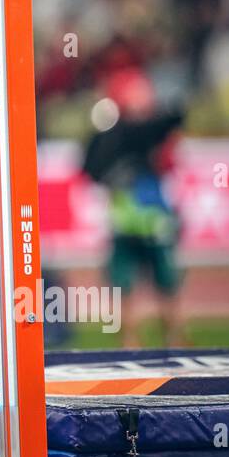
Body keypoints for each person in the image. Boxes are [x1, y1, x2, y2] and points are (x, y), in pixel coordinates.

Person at [81, 69, 186, 348]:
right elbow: (90, 167)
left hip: (150, 220)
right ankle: (136, 340)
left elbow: (170, 129)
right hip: (130, 221)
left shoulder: (146, 132)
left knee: (162, 281)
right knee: (127, 283)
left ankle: (170, 337)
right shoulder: (118, 135)